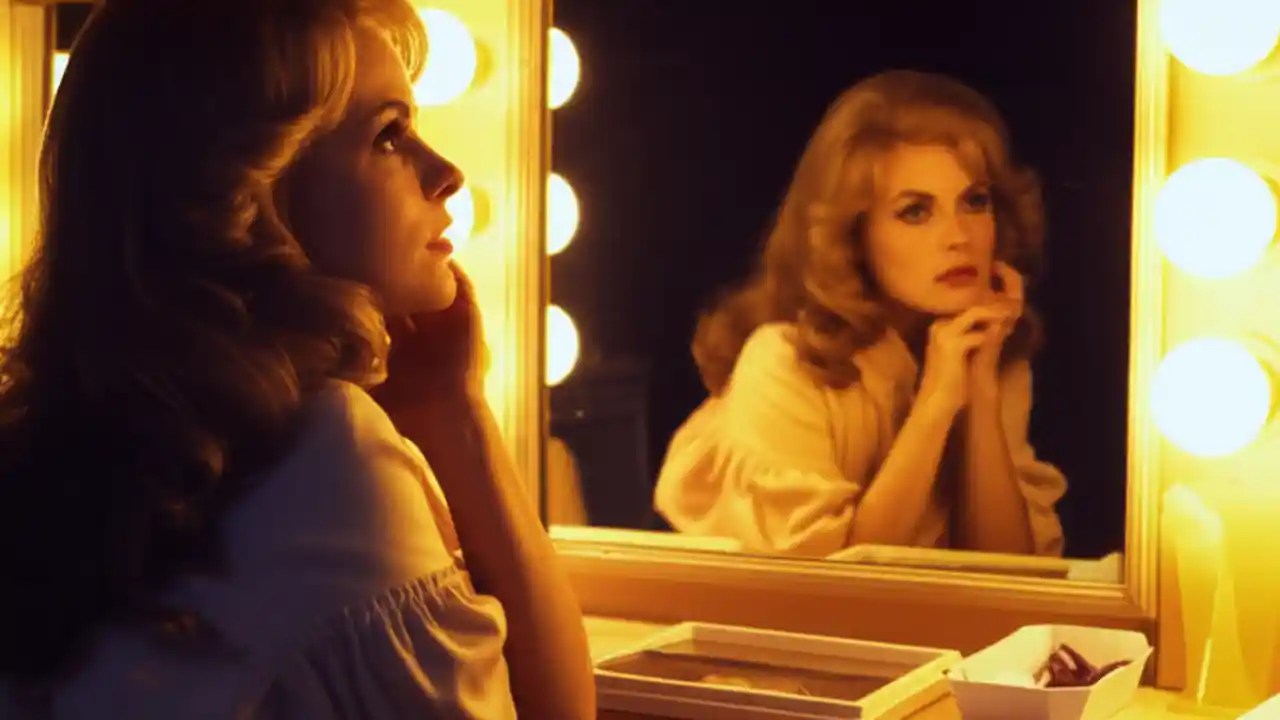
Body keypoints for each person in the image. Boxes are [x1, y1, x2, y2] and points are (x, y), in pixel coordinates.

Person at [0, 1, 594, 718]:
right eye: (389, 135)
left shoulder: (77, 446)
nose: (446, 173)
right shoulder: (322, 461)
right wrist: (457, 418)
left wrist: (443, 402)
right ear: (253, 193)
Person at [653, 70, 1067, 559]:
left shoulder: (988, 352)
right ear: (854, 232)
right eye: (916, 211)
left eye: (975, 202)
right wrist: (936, 402)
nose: (959, 236)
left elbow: (1006, 577)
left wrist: (976, 388)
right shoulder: (783, 363)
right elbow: (848, 591)